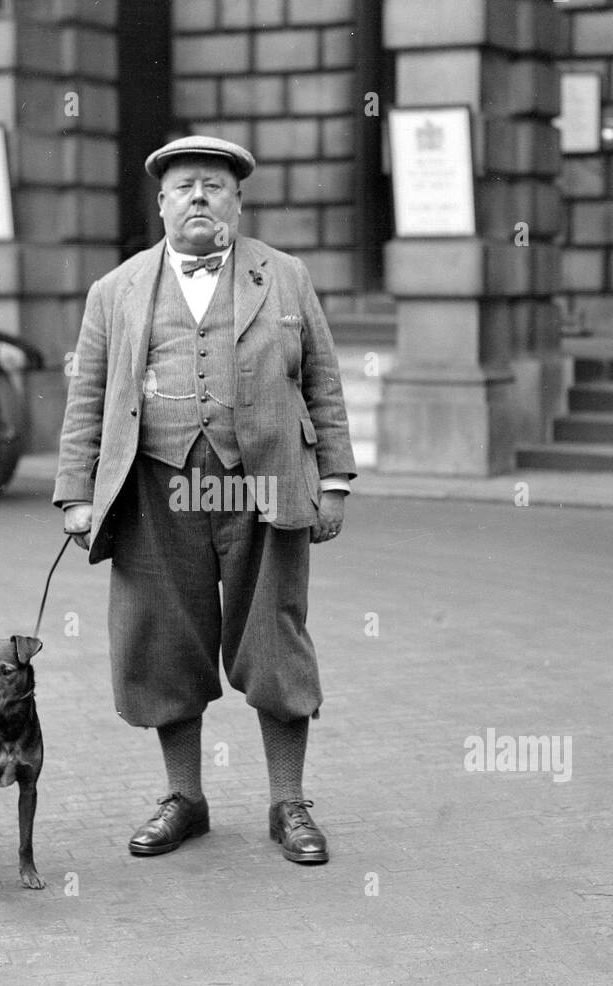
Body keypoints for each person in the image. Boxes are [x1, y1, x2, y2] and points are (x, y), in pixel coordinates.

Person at [53, 135, 356, 865]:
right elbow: (87, 397)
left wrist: (335, 479)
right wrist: (76, 494)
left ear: (238, 201)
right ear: (160, 203)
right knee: (163, 638)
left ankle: (289, 803)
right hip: (157, 487)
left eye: (214, 186)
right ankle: (183, 798)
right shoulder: (115, 290)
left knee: (274, 639)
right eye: (184, 186)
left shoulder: (284, 277)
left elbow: (323, 379)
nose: (199, 197)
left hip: (264, 483)